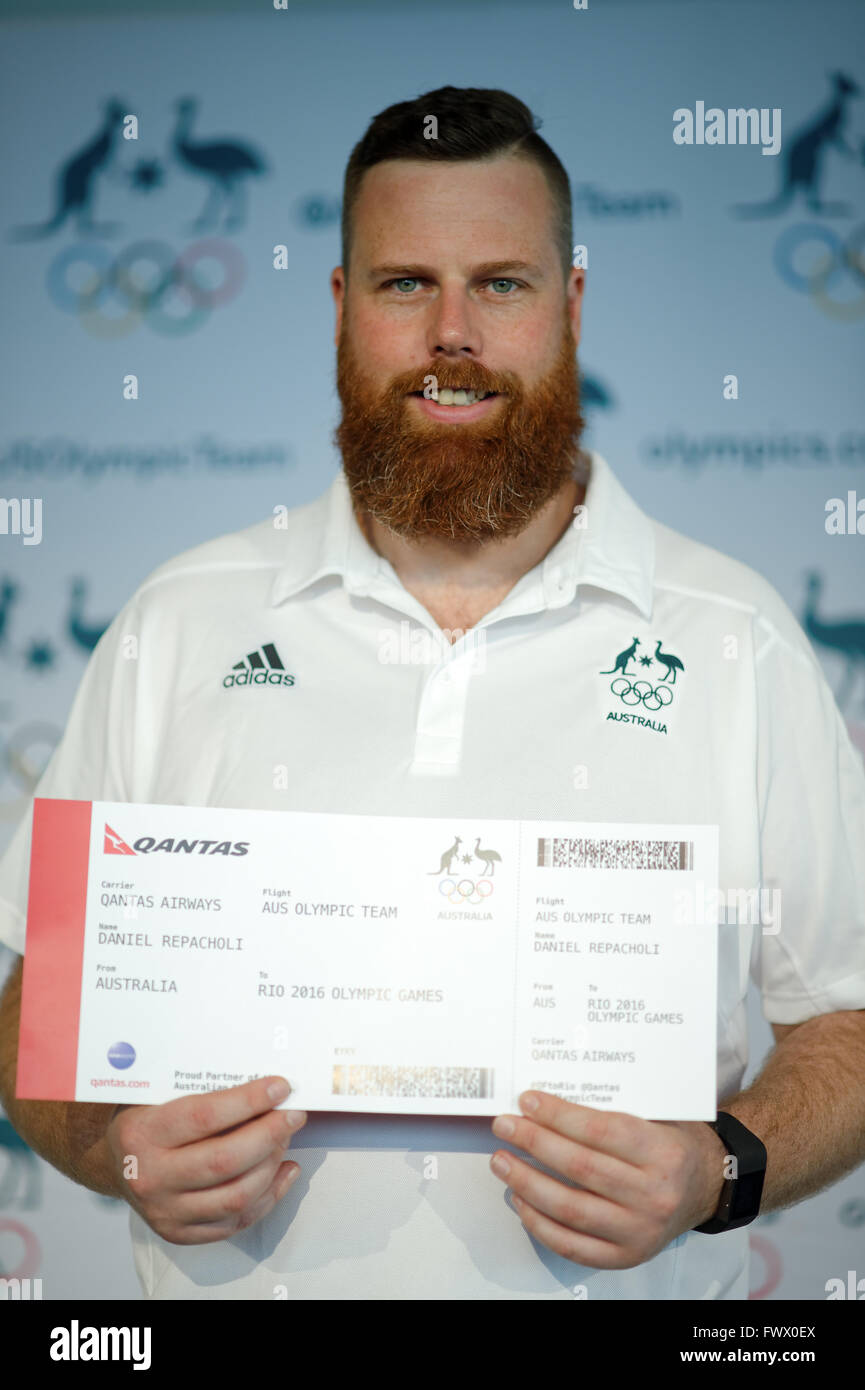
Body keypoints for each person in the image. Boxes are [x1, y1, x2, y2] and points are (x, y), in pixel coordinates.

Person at [1, 86, 864, 1302]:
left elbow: (852, 1013)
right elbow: (45, 994)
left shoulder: (735, 639)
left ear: (569, 305)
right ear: (342, 308)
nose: (451, 333)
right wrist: (111, 1145)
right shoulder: (176, 624)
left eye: (500, 284)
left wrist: (719, 1170)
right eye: (406, 284)